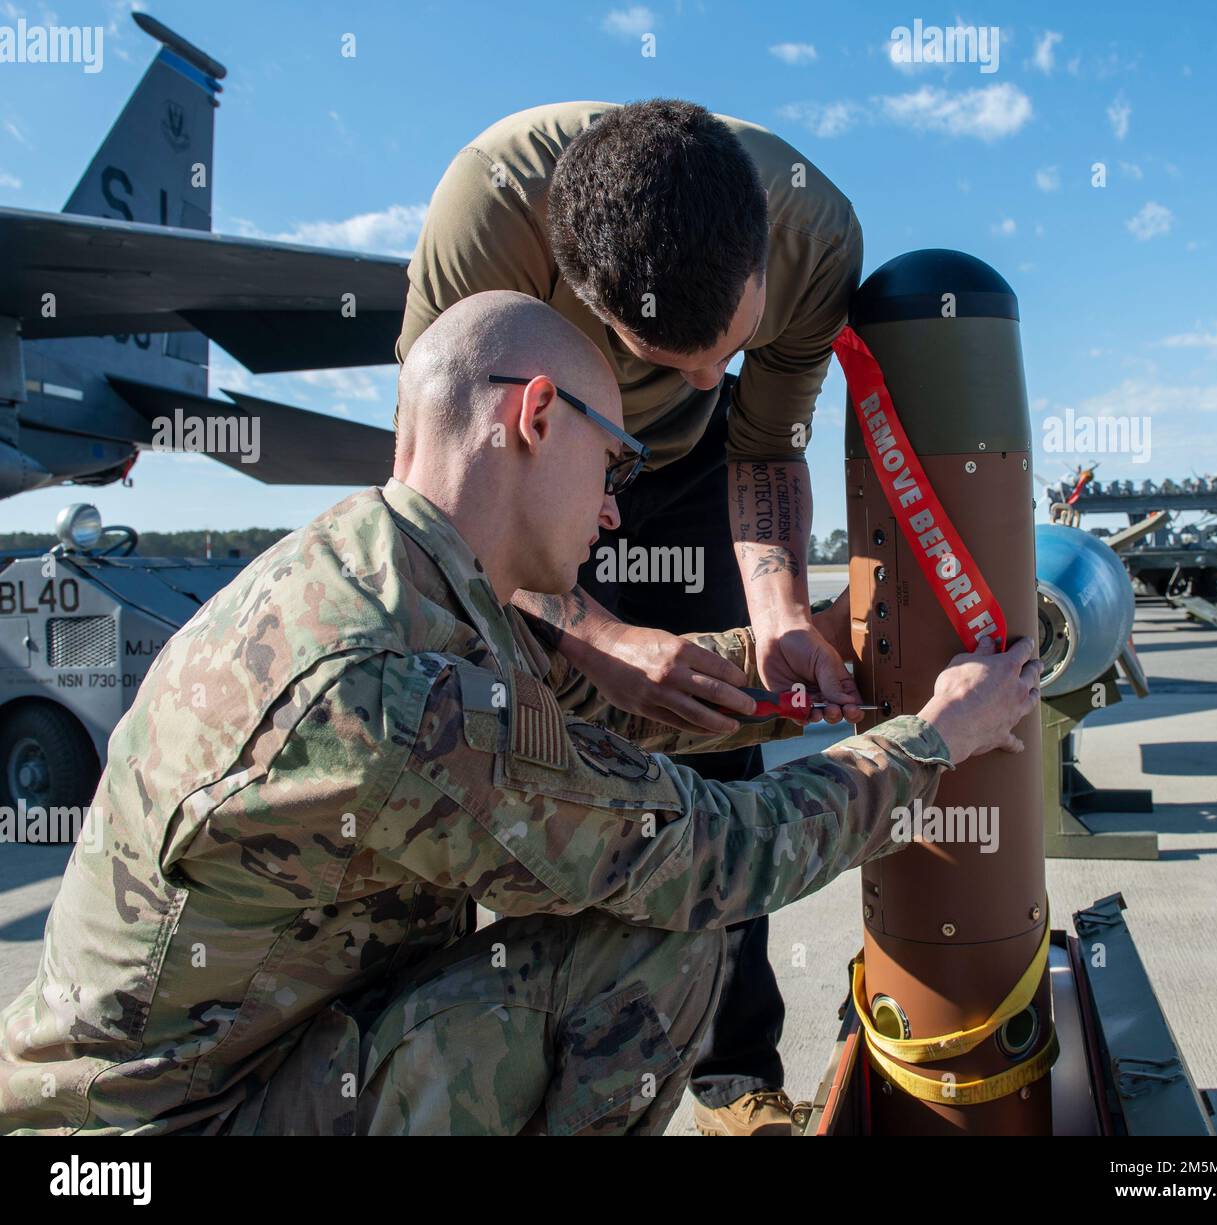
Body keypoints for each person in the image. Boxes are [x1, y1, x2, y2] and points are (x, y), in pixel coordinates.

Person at [0, 292, 1040, 1136]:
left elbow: (586, 708)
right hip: (166, 1129)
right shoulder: (386, 695)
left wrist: (792, 671)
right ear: (536, 417)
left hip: (249, 1058)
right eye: (614, 463)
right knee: (661, 937)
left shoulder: (389, 569)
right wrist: (932, 741)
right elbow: (708, 849)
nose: (613, 507)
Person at [398, 98, 870, 1133]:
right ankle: (535, 1065)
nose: (704, 377)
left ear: (761, 263)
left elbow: (764, 443)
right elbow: (445, 492)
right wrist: (595, 635)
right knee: (535, 742)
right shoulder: (489, 216)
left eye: (728, 348)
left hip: (708, 467)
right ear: (575, 285)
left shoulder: (814, 235)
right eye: (665, 353)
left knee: (716, 738)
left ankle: (730, 1081)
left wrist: (782, 609)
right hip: (530, 459)